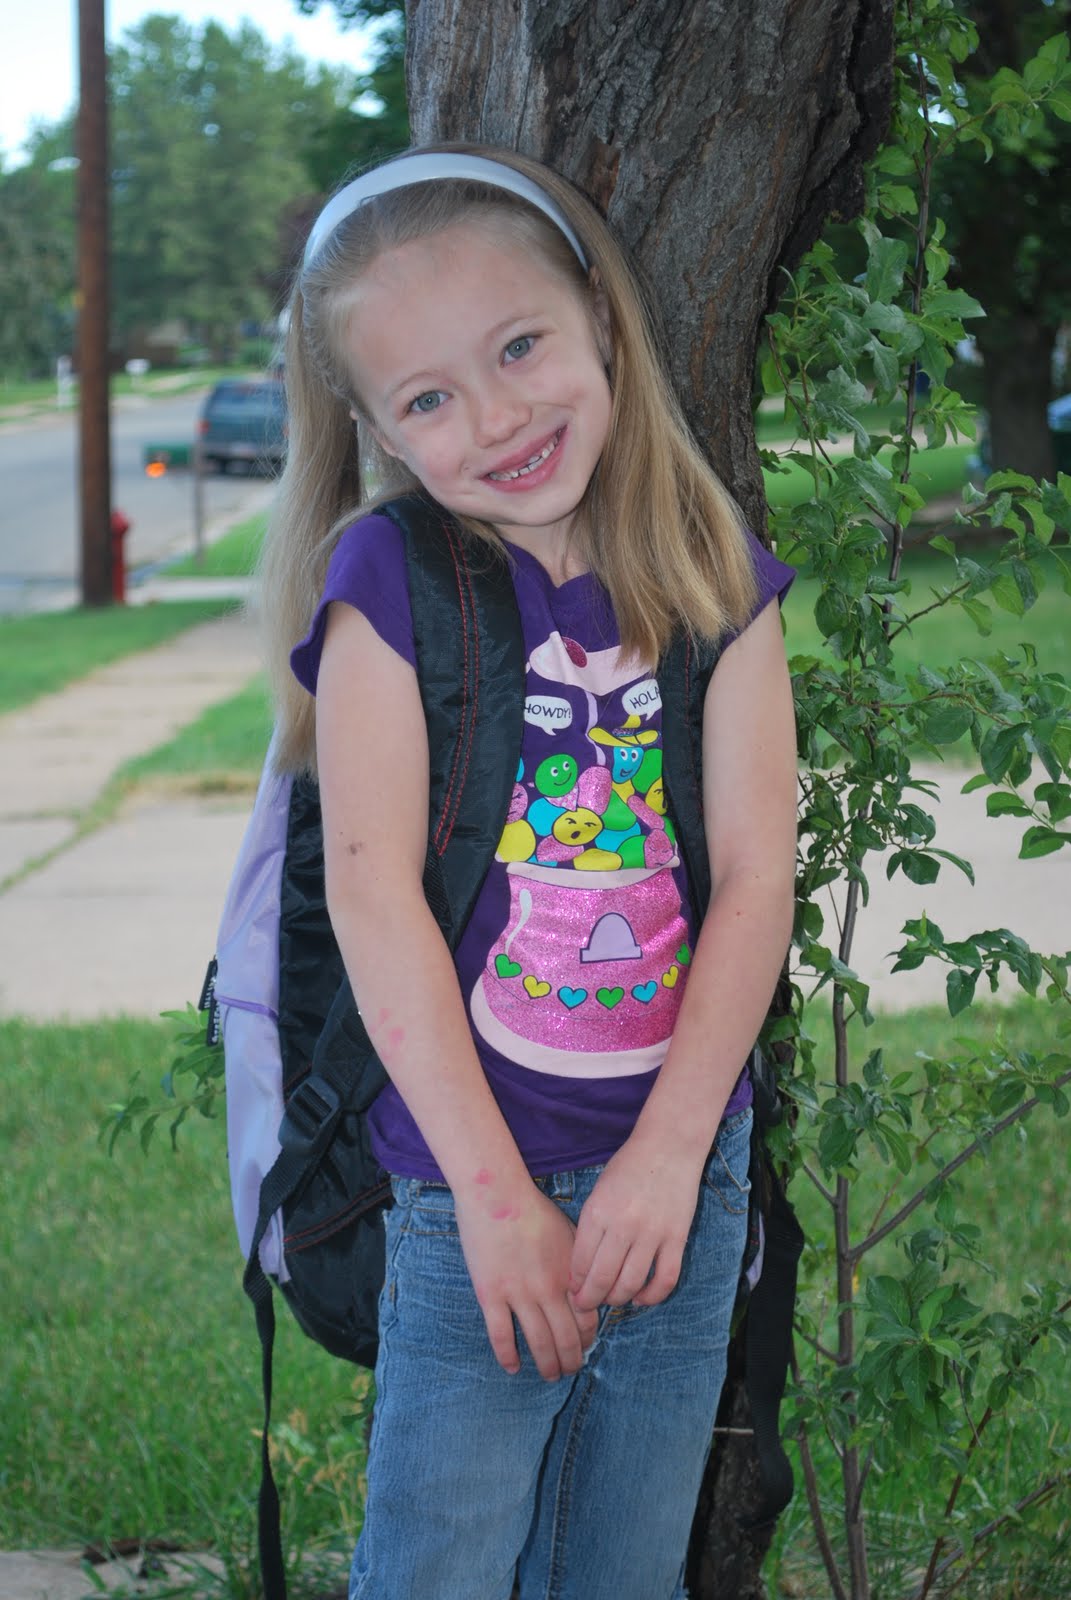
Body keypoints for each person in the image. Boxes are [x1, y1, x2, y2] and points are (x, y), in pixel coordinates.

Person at [261, 144, 798, 1600]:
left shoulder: (713, 570)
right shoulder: (387, 586)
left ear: (601, 322)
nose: (496, 417)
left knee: (621, 1569)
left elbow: (758, 876)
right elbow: (374, 898)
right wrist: (495, 1202)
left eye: (518, 348)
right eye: (429, 397)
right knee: (437, 1569)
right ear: (377, 430)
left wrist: (673, 1157)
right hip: (468, 1186)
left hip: (682, 1175)